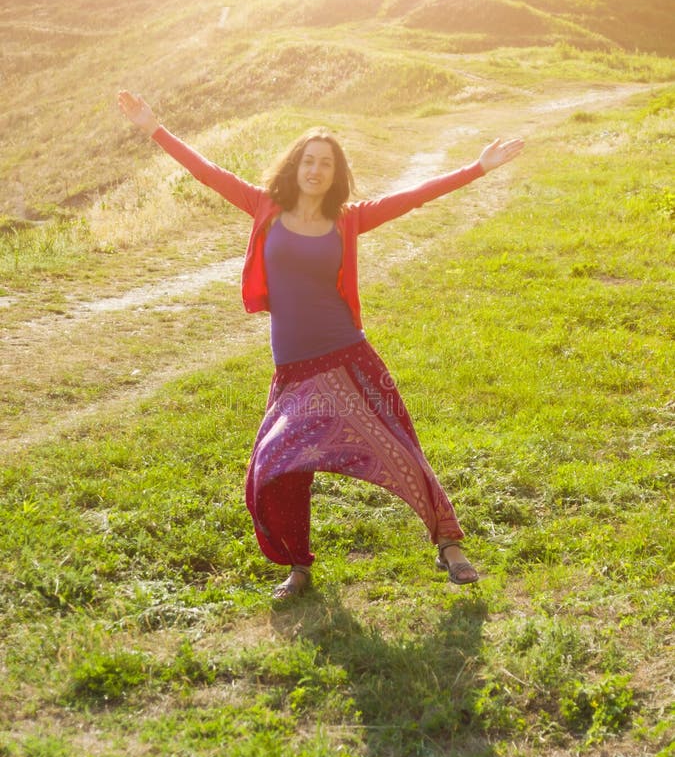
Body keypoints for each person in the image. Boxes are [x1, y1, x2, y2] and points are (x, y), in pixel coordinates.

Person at [118, 89, 524, 598]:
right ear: (295, 166)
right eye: (308, 160)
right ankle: (299, 567)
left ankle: (450, 545)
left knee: (401, 447)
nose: (315, 170)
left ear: (336, 173)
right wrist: (155, 128)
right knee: (279, 465)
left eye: (325, 163)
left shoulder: (348, 219)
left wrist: (477, 168)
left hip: (350, 358)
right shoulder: (264, 206)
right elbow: (207, 172)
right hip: (294, 370)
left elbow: (414, 196)